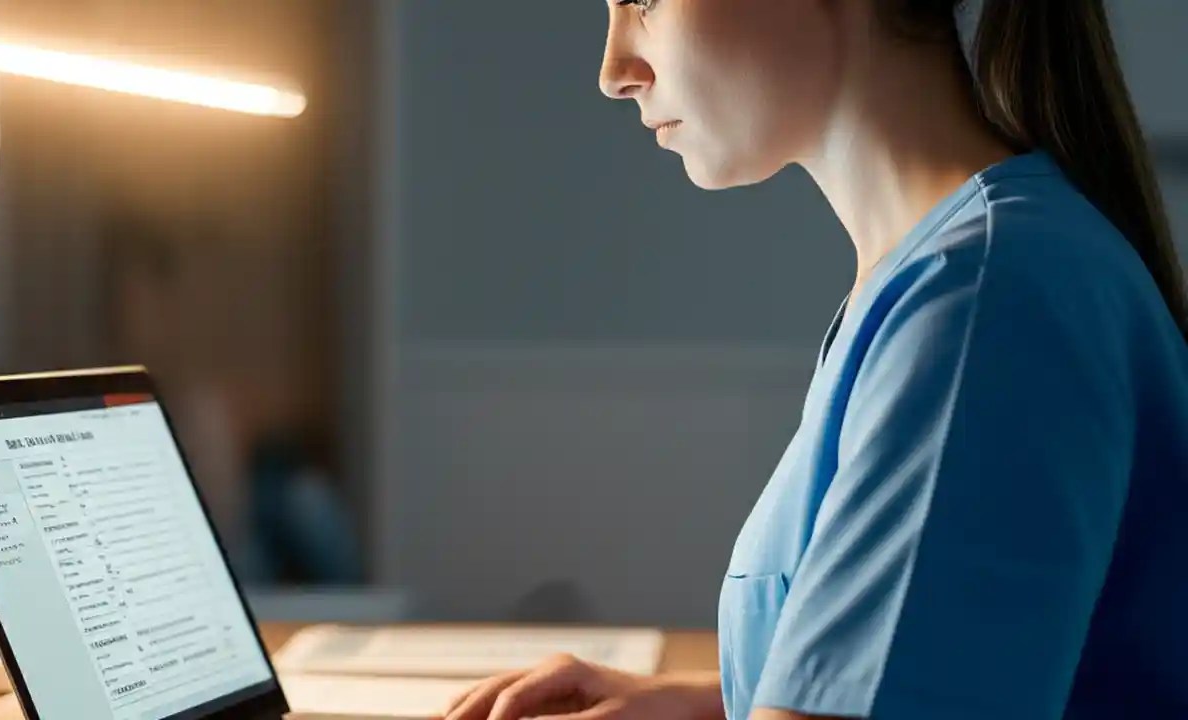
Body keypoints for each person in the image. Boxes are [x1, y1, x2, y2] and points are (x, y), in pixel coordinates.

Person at [443, 1, 1188, 719]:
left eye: (644, 0)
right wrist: (720, 701)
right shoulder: (954, 276)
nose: (614, 70)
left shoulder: (989, 298)